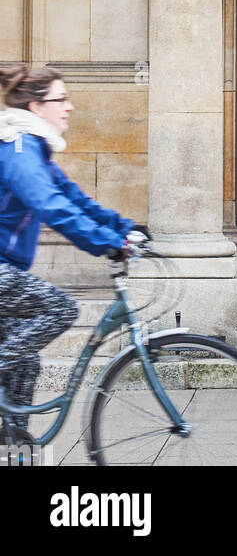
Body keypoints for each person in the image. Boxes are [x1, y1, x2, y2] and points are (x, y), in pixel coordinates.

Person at [0, 63, 135, 440]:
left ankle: (12, 450)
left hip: (7, 271)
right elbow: (51, 208)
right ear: (34, 107)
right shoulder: (20, 150)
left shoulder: (35, 151)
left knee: (25, 364)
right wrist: (105, 244)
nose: (70, 107)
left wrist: (126, 229)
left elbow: (75, 200)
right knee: (61, 308)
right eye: (61, 99)